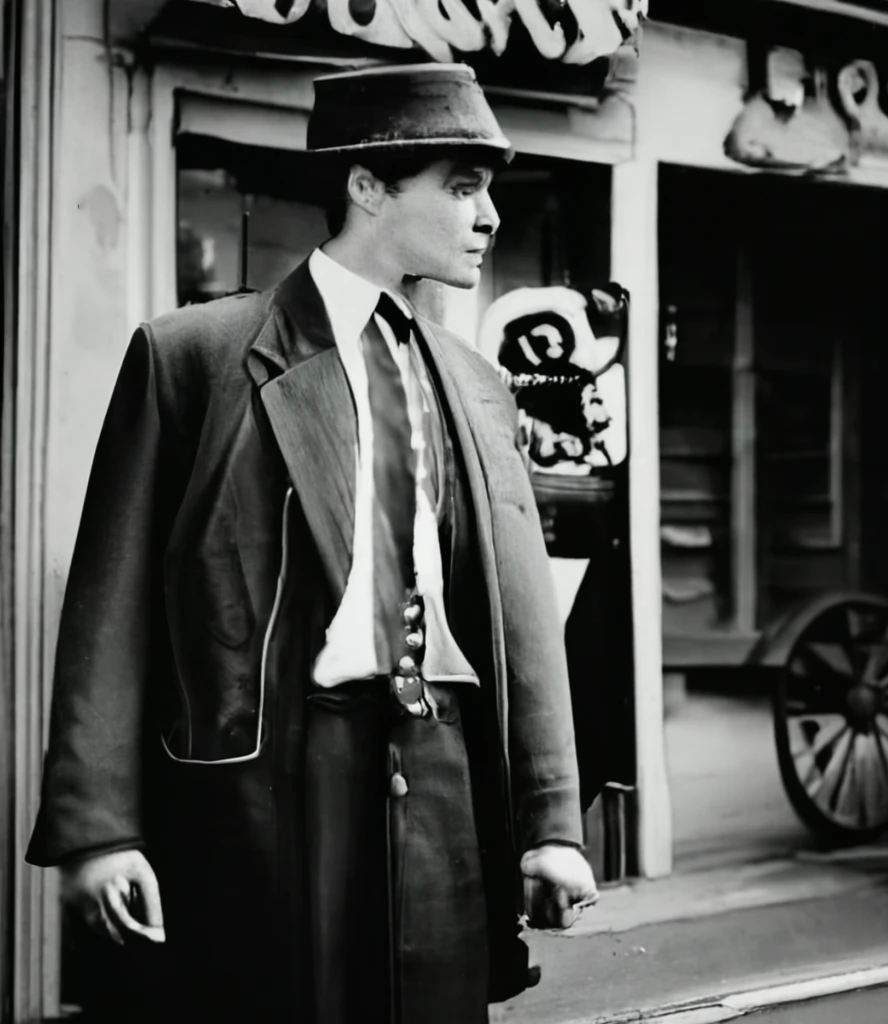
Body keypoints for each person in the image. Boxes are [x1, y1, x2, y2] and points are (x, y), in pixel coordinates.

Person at [27, 63, 597, 1024]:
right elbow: (110, 603)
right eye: (462, 188)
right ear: (368, 186)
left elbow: (523, 612)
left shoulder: (474, 383)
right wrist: (96, 829)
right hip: (273, 775)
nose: (489, 215)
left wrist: (551, 821)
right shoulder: (194, 358)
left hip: (447, 770)